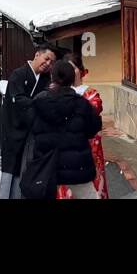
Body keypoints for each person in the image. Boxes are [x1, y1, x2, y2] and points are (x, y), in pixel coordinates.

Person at [27, 60, 103, 199]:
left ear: (52, 77)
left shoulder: (39, 102)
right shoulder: (81, 104)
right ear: (72, 79)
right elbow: (93, 128)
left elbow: (30, 125)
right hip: (77, 165)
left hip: (47, 164)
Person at [0, 45, 57, 199]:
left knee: (23, 168)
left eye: (52, 62)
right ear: (37, 55)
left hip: (29, 133)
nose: (48, 64)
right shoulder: (18, 74)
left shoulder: (45, 79)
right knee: (10, 168)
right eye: (47, 58)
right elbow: (18, 100)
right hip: (13, 127)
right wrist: (36, 104)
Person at [57, 53, 108, 199]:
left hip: (88, 149)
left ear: (80, 70)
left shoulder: (91, 94)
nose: (71, 73)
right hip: (65, 151)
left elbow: (92, 116)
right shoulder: (58, 94)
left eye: (73, 68)